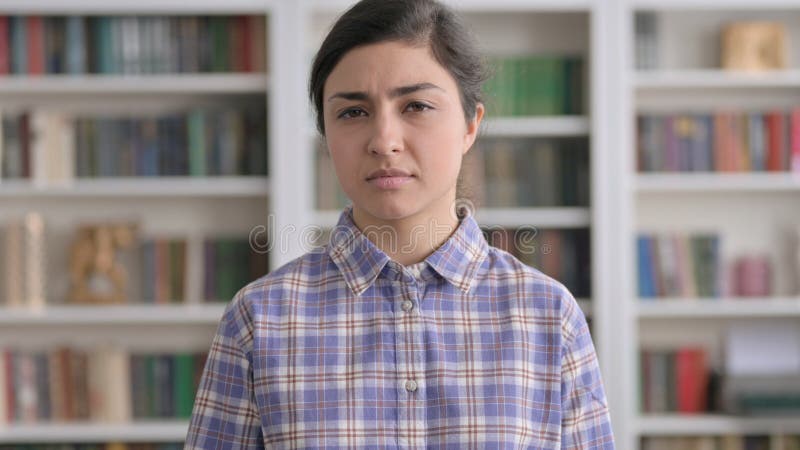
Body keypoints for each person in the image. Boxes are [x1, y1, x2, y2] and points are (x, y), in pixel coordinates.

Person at [185, 0, 615, 448]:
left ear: (471, 125)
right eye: (353, 112)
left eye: (416, 106)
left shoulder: (548, 317)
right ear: (326, 136)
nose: (384, 141)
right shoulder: (259, 319)